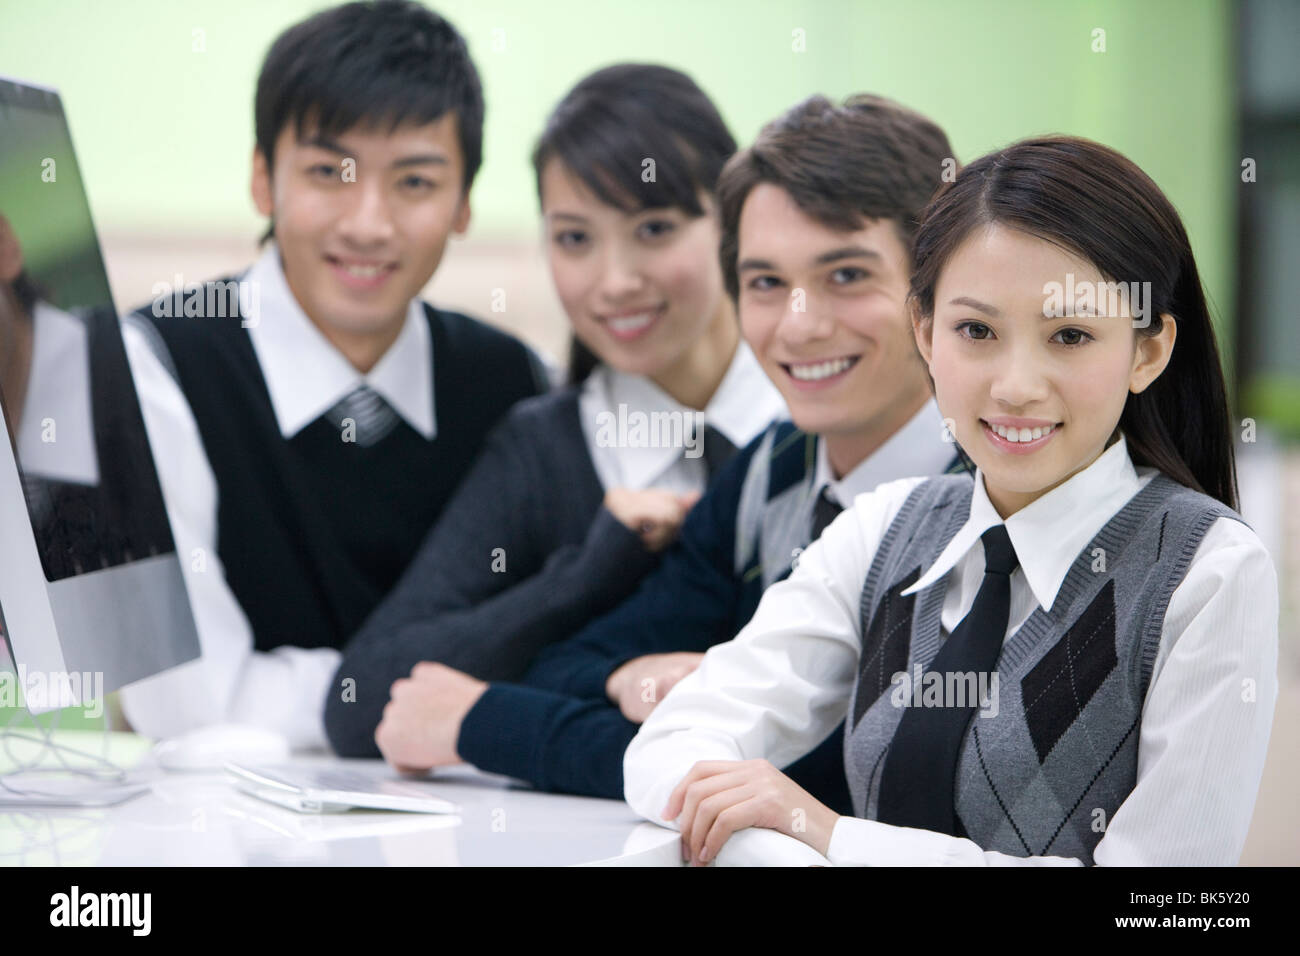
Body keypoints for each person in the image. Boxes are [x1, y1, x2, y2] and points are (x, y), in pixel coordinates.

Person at [624, 136, 1279, 867]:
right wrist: (772, 833)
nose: (1015, 386)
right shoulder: (884, 529)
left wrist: (831, 837)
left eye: (1069, 335)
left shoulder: (1209, 572)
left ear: (1147, 352)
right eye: (976, 331)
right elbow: (671, 746)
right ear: (926, 333)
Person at [359, 95, 971, 816]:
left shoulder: (987, 495)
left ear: (936, 287)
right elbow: (565, 663)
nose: (799, 327)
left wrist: (482, 723)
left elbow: (822, 775)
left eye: (845, 276)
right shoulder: (772, 469)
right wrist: (627, 678)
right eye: (766, 283)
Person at [117, 1, 548, 748]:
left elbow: (547, 645)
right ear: (263, 180)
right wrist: (435, 699)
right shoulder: (157, 366)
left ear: (464, 205)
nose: (368, 224)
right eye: (328, 172)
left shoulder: (513, 382)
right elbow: (186, 701)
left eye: (415, 182)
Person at [324, 64, 786, 757]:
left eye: (654, 228)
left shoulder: (819, 420)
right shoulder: (542, 448)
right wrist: (588, 572)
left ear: (731, 223)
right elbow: (363, 704)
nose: (614, 282)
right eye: (574, 239)